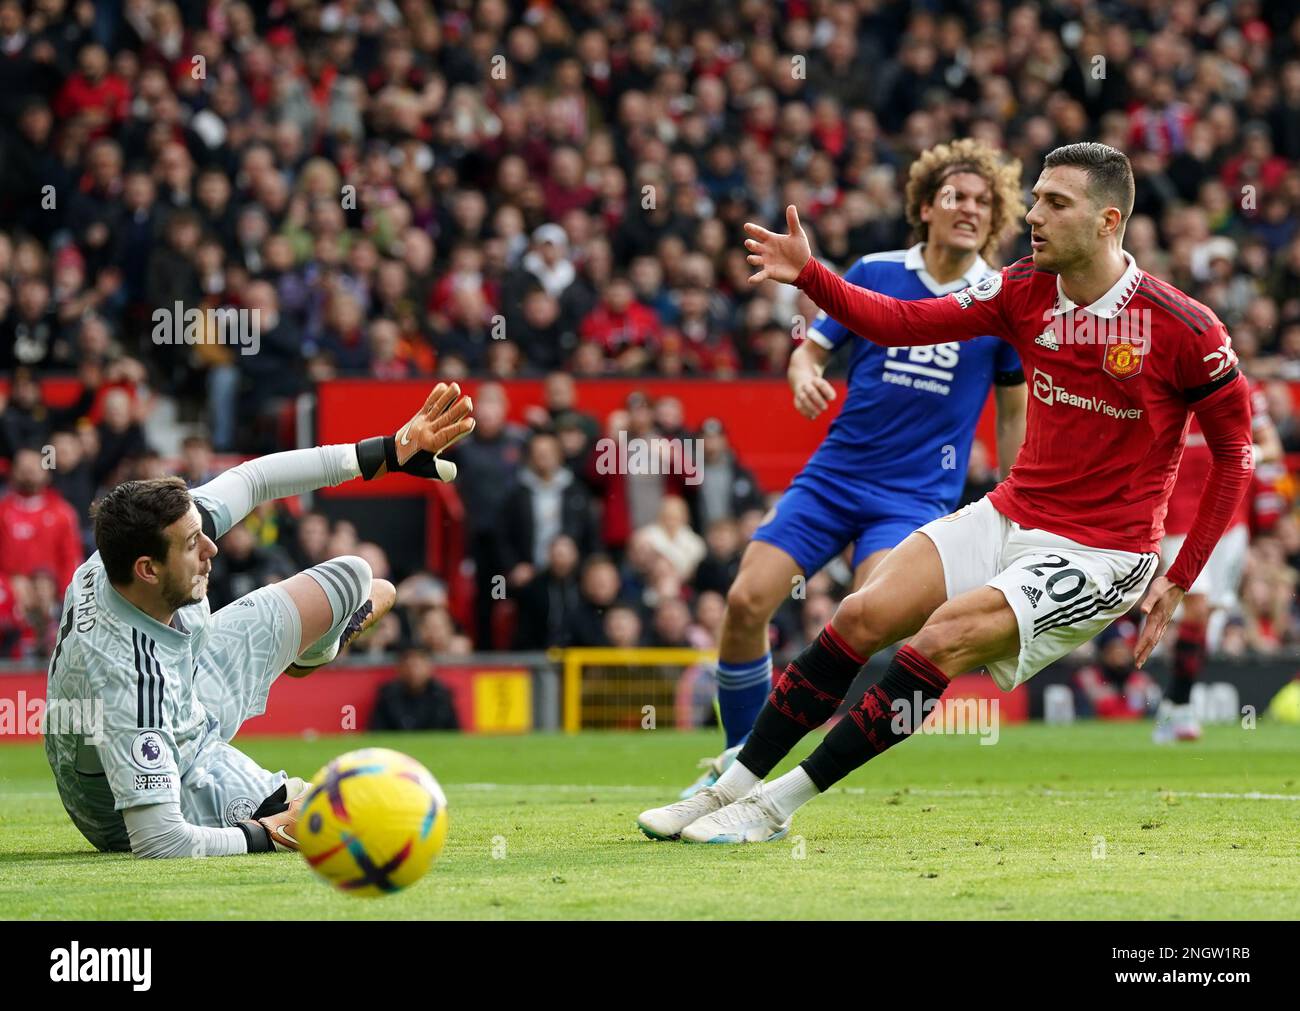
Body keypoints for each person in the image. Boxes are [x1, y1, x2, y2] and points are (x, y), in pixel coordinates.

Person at [639, 142, 1254, 844]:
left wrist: (1180, 578)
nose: (1033, 214)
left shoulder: (1185, 328)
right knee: (860, 613)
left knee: (942, 639)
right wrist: (810, 275)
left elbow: (1237, 453)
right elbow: (899, 324)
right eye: (1035, 197)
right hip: (1012, 511)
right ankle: (727, 787)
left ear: (1108, 220)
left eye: (1056, 203)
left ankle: (774, 805)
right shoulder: (1022, 287)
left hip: (1102, 553)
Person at [678, 139, 1029, 798]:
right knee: (746, 599)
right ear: (925, 206)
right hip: (833, 477)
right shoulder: (875, 271)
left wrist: (1015, 508)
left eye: (983, 201)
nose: (969, 209)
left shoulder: (999, 301)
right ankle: (740, 758)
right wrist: (803, 374)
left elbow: (1014, 414)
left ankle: (786, 778)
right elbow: (809, 352)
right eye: (955, 196)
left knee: (870, 621)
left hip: (916, 499)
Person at [44, 383, 474, 858]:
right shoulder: (127, 679)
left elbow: (254, 480)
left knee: (354, 576)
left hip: (185, 681)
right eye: (193, 546)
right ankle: (278, 791)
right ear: (148, 570)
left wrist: (386, 452)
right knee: (333, 815)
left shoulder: (132, 544)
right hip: (141, 788)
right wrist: (265, 833)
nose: (212, 548)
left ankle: (314, 650)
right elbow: (157, 839)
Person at [1152, 378, 1282, 742]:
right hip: (1176, 519)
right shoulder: (1166, 390)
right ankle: (1178, 711)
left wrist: (1245, 454)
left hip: (1229, 519)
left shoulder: (1246, 391)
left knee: (1208, 618)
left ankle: (1173, 706)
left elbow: (1271, 446)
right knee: (1196, 607)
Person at [369, 647, 460, 732]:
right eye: (408, 666)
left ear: (429, 668)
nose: (413, 671)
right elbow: (376, 732)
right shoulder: (388, 695)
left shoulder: (441, 695)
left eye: (417, 666)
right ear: (399, 669)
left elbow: (454, 732)